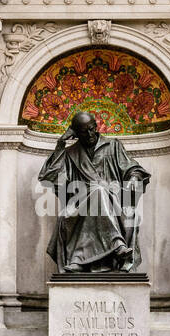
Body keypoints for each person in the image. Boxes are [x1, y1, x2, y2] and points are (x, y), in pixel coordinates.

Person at [39, 111, 150, 273]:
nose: (90, 134)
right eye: (84, 131)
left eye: (91, 128)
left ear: (96, 126)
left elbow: (132, 167)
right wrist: (61, 144)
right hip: (80, 202)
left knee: (99, 190)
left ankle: (80, 259)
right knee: (97, 191)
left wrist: (133, 177)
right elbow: (49, 176)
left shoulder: (113, 146)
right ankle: (116, 245)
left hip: (114, 200)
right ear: (75, 133)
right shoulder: (71, 154)